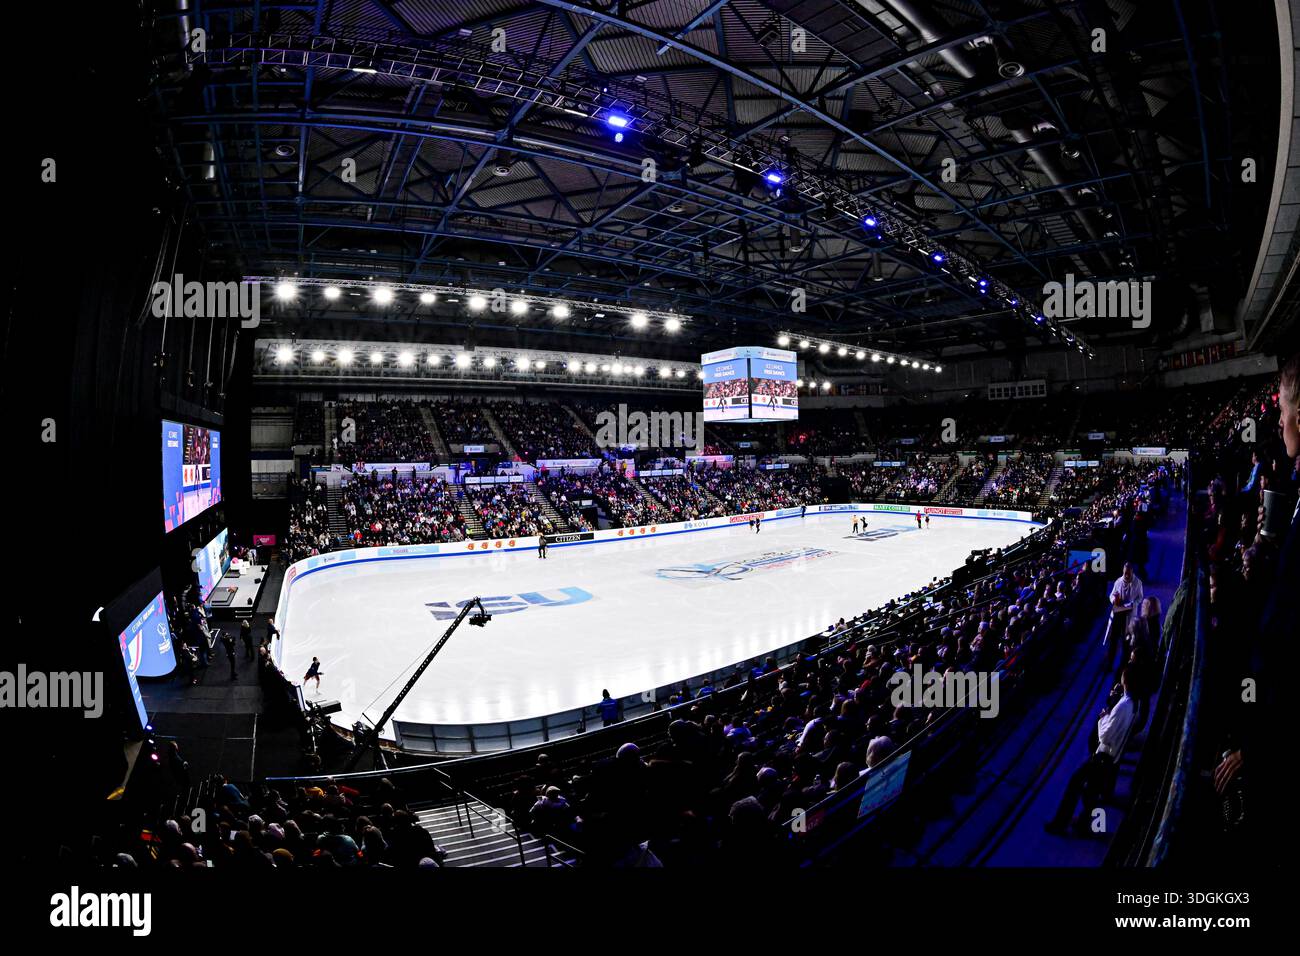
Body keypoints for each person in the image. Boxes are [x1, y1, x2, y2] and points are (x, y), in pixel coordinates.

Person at [1046, 669, 1136, 834]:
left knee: (1075, 783)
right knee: (1091, 794)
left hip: (1103, 755)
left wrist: (1102, 719)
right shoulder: (1131, 704)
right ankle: (1083, 826)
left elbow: (1105, 736)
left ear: (1125, 680)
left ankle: (1060, 824)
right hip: (1110, 758)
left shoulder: (1123, 706)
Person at [1103, 563, 1144, 672]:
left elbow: (1140, 597)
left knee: (1126, 641)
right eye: (1125, 573)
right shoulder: (1118, 581)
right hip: (1118, 615)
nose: (1126, 575)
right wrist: (1114, 600)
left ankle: (1124, 666)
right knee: (1113, 640)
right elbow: (1111, 595)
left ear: (1132, 573)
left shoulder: (1138, 583)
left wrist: (1132, 604)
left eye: (1128, 574)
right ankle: (1109, 663)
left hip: (1129, 616)